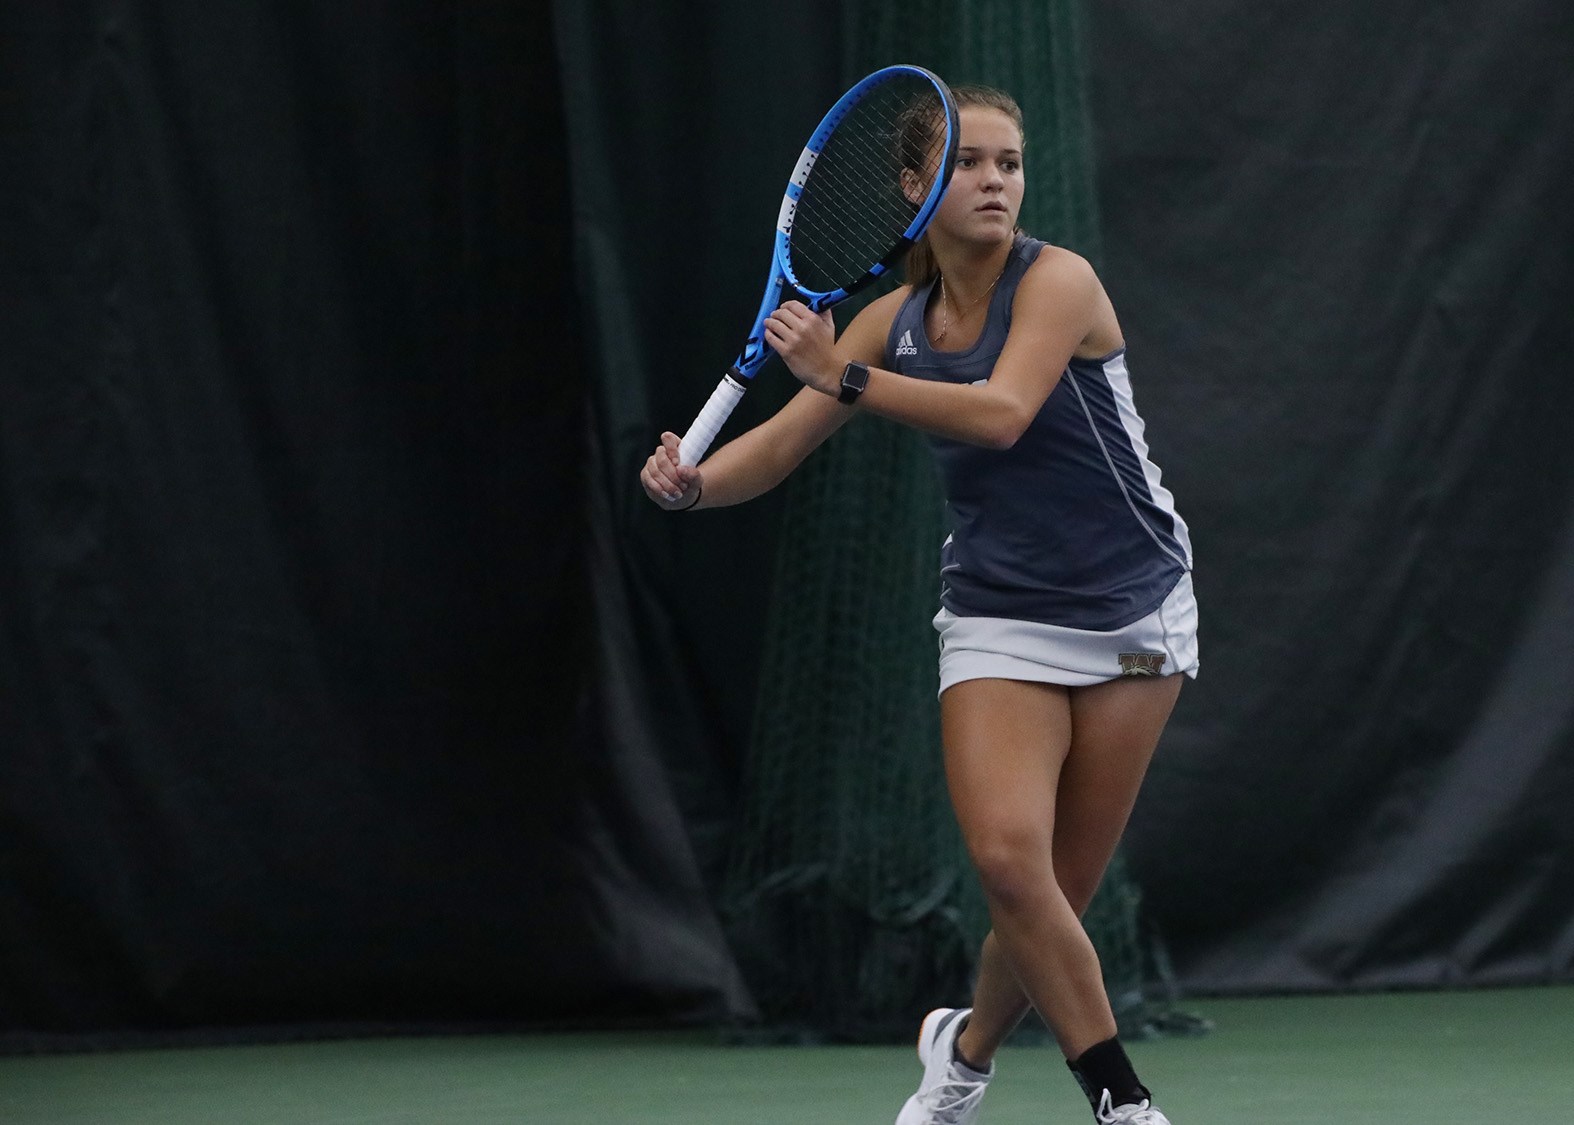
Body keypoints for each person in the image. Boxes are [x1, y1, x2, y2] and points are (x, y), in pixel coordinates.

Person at [640, 85, 1196, 1125]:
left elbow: (998, 416)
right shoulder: (888, 319)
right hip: (994, 610)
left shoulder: (1059, 283)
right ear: (914, 188)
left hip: (1132, 604)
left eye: (1008, 164)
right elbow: (774, 447)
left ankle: (961, 1049)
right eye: (970, 164)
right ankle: (1121, 1103)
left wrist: (840, 378)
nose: (994, 182)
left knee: (1051, 901)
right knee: (1004, 861)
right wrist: (695, 482)